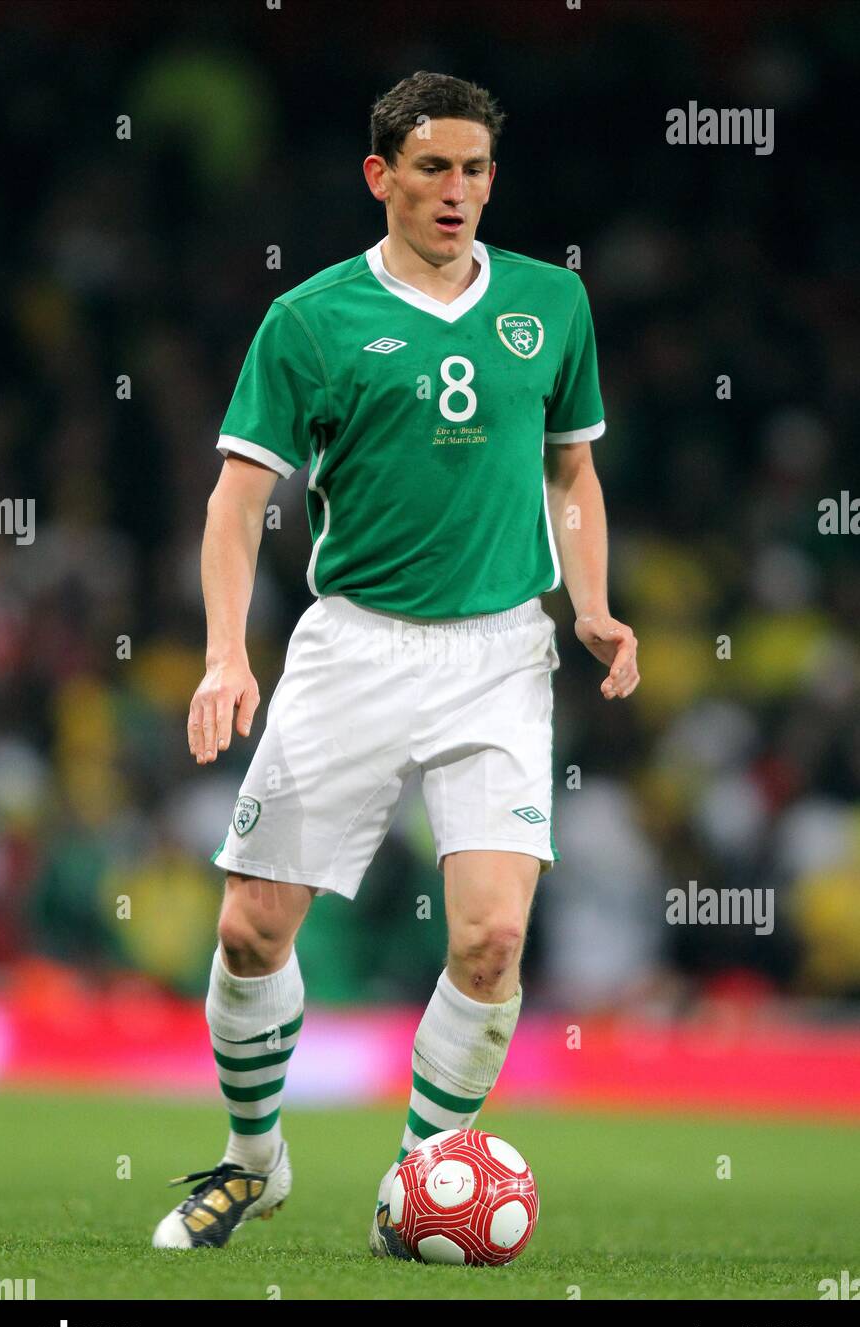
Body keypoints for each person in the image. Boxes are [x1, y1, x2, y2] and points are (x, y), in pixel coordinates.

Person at [152, 70, 639, 1256]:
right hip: (354, 645)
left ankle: (422, 1177)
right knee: (251, 932)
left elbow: (571, 472)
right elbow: (234, 502)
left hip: (499, 652)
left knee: (490, 938)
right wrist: (225, 654)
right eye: (432, 168)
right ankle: (251, 1162)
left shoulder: (550, 302)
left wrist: (593, 606)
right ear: (381, 176)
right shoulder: (312, 319)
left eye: (475, 169)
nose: (456, 190)